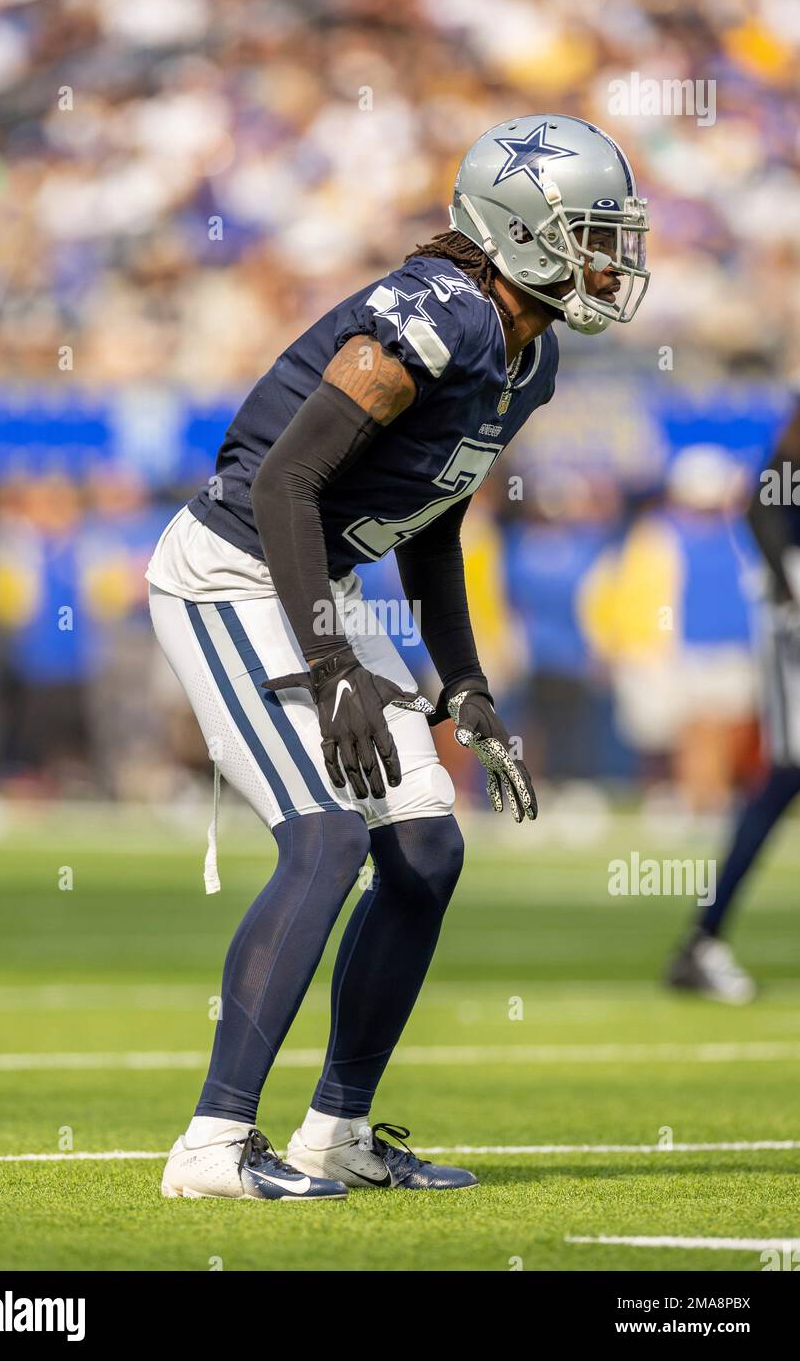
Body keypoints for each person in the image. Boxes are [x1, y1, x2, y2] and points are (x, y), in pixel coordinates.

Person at [146, 115, 650, 1200]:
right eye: (589, 234)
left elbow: (433, 521)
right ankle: (211, 1148)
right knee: (325, 840)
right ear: (520, 232)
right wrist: (331, 665)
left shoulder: (529, 357)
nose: (611, 259)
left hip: (312, 583)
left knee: (422, 853)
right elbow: (283, 483)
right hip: (231, 570)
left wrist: (459, 681)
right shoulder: (431, 320)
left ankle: (337, 1131)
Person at [667, 399, 800, 1003]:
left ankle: (704, 939)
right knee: (787, 771)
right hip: (792, 619)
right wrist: (789, 587)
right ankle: (704, 938)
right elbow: (763, 502)